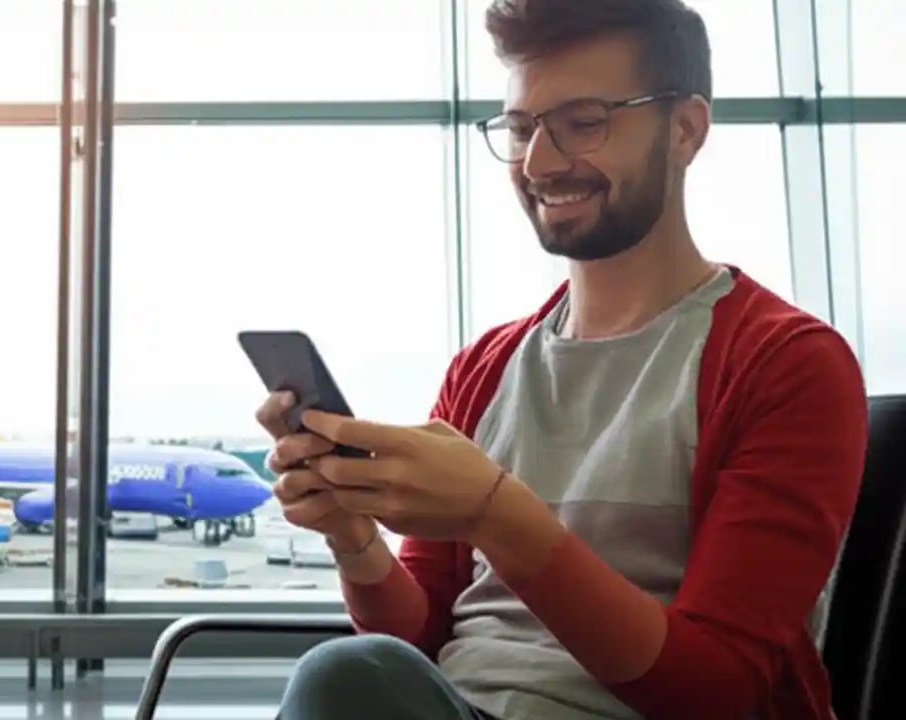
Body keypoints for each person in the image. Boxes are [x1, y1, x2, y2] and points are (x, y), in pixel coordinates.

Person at [255, 1, 868, 719]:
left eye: (585, 123)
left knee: (339, 676)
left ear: (686, 130)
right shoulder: (483, 369)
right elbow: (416, 643)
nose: (540, 163)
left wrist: (499, 514)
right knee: (352, 673)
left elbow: (719, 690)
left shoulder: (786, 364)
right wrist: (353, 538)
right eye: (520, 129)